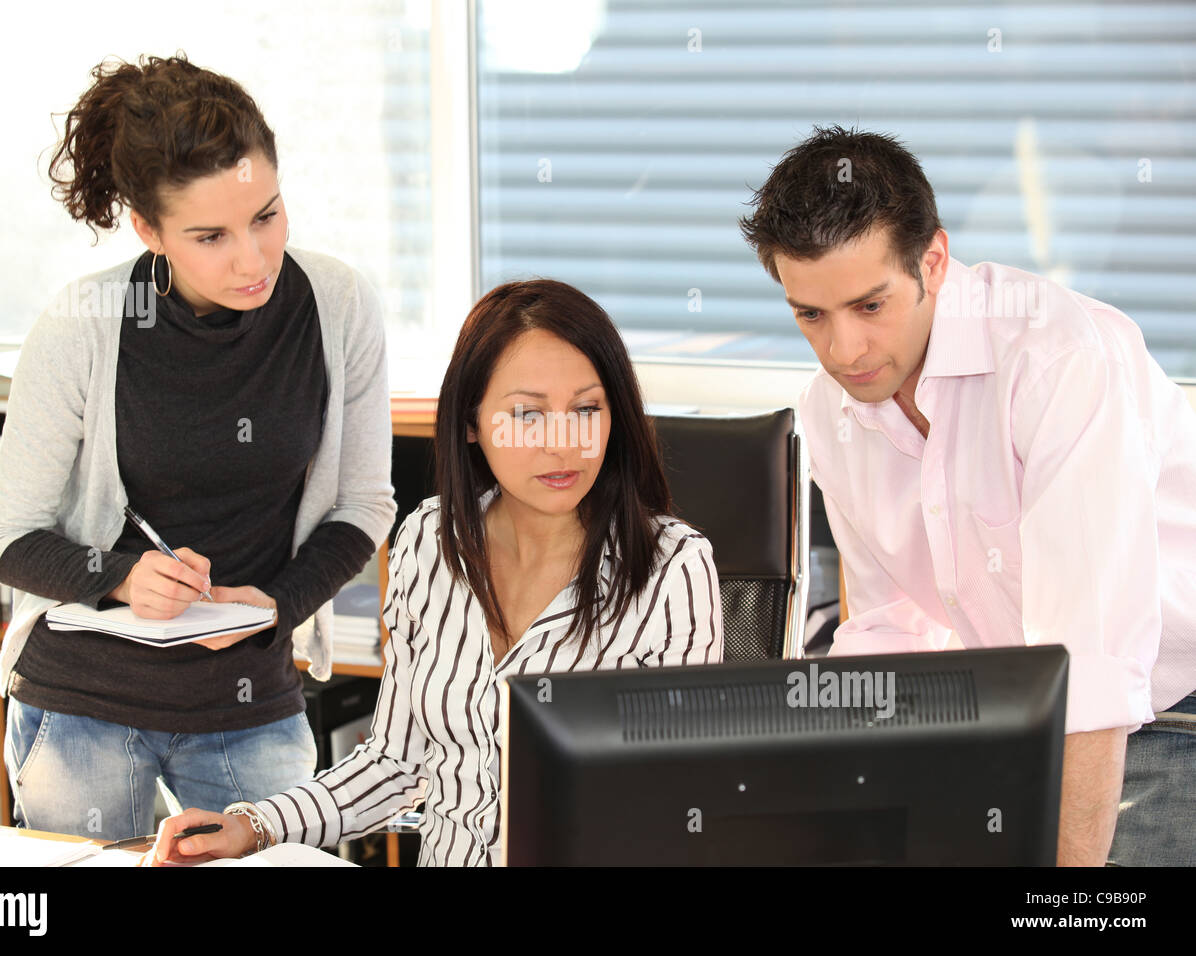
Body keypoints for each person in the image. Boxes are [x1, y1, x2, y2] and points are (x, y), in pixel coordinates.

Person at [146, 278, 724, 866]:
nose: (563, 443)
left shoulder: (672, 568)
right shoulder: (429, 539)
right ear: (472, 422)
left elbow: (687, 806)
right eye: (526, 413)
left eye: (586, 409)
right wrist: (255, 825)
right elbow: (396, 763)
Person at [739, 125, 1196, 866]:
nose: (843, 351)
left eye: (869, 306)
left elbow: (1091, 661)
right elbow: (890, 634)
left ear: (935, 261)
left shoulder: (1054, 362)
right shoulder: (831, 412)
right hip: (1015, 726)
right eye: (810, 315)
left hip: (1168, 721)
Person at [0, 54, 396, 842]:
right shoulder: (84, 324)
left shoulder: (337, 304)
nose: (253, 259)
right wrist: (123, 577)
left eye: (267, 216)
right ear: (150, 230)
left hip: (247, 696)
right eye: (210, 236)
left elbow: (365, 503)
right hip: (83, 702)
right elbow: (6, 542)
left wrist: (282, 600)